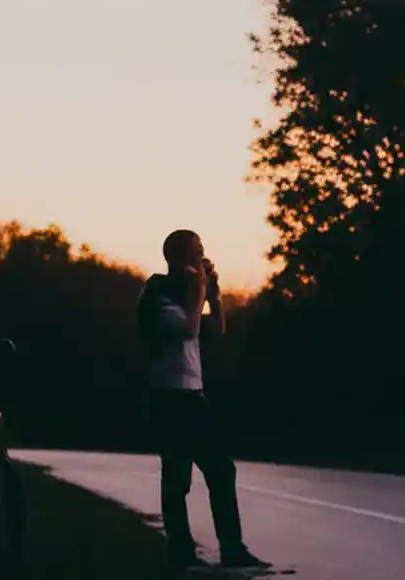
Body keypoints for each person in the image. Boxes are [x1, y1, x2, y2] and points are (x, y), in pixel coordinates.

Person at [137, 229, 269, 569]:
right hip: (172, 394)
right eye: (197, 250)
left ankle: (199, 551)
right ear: (181, 256)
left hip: (189, 392)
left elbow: (216, 330)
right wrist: (198, 291)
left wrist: (215, 294)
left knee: (202, 472)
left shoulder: (183, 294)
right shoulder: (157, 294)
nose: (203, 255)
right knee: (195, 473)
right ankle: (215, 550)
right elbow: (190, 329)